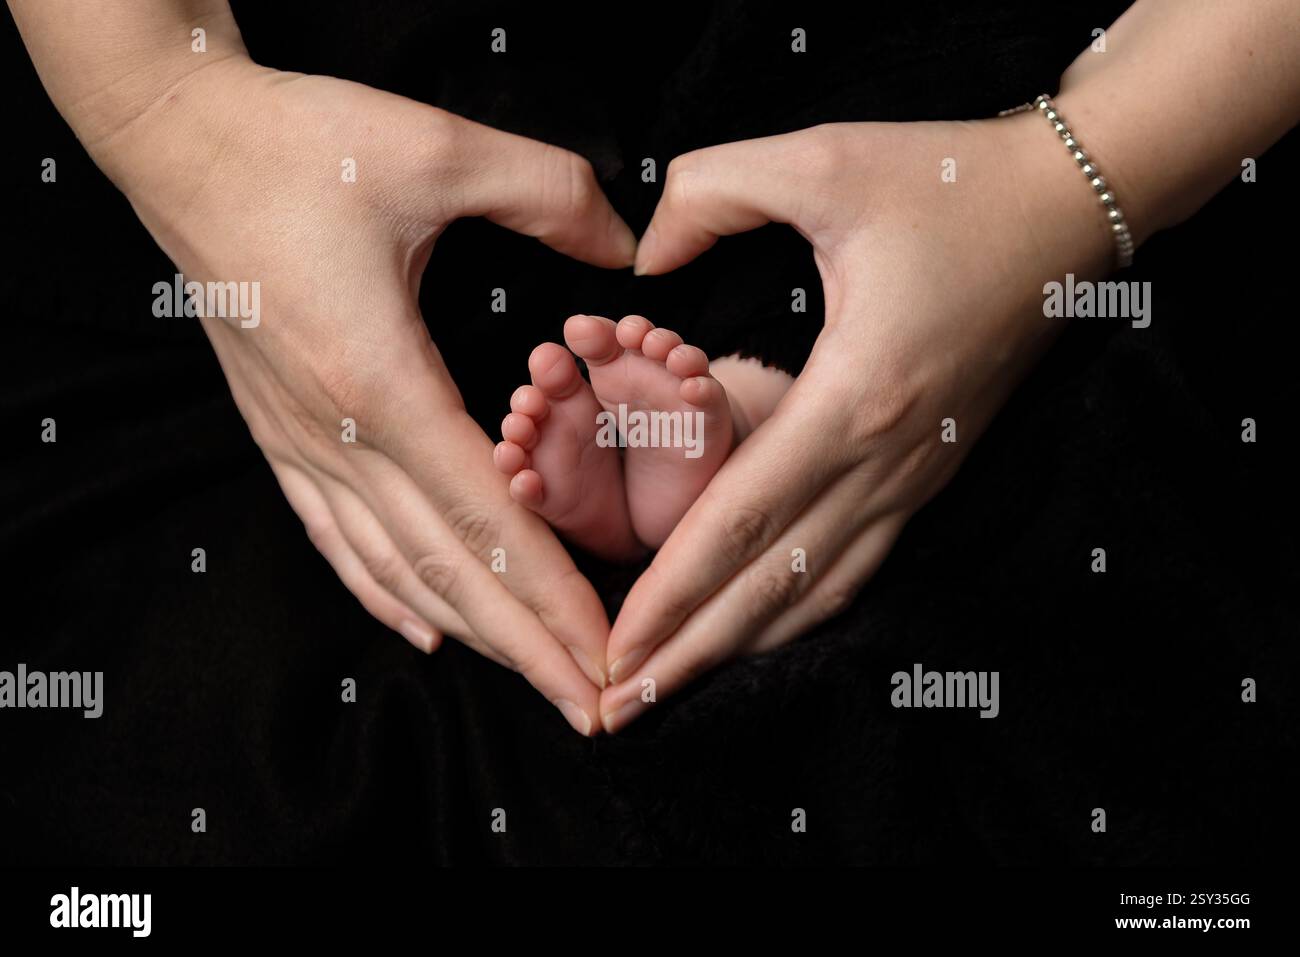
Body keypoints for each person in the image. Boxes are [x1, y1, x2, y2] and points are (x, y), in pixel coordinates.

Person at [9, 0, 1299, 740]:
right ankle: (712, 399)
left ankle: (695, 411)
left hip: (1031, 146)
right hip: (297, 158)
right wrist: (171, 124)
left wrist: (1072, 183)